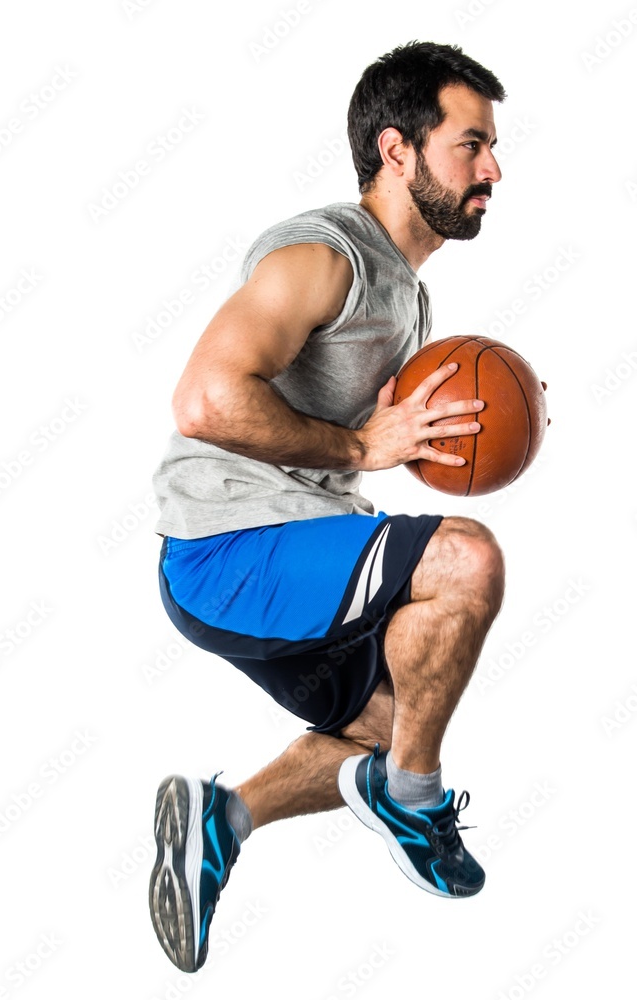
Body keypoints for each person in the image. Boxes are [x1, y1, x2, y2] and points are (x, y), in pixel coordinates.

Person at [149, 40, 507, 973]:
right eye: (471, 145)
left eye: (492, 148)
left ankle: (220, 822)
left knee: (397, 722)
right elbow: (204, 400)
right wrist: (358, 450)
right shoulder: (326, 254)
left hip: (285, 544)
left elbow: (355, 434)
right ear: (397, 151)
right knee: (466, 560)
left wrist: (458, 431)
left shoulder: (410, 297)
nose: (493, 170)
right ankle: (413, 803)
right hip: (227, 549)